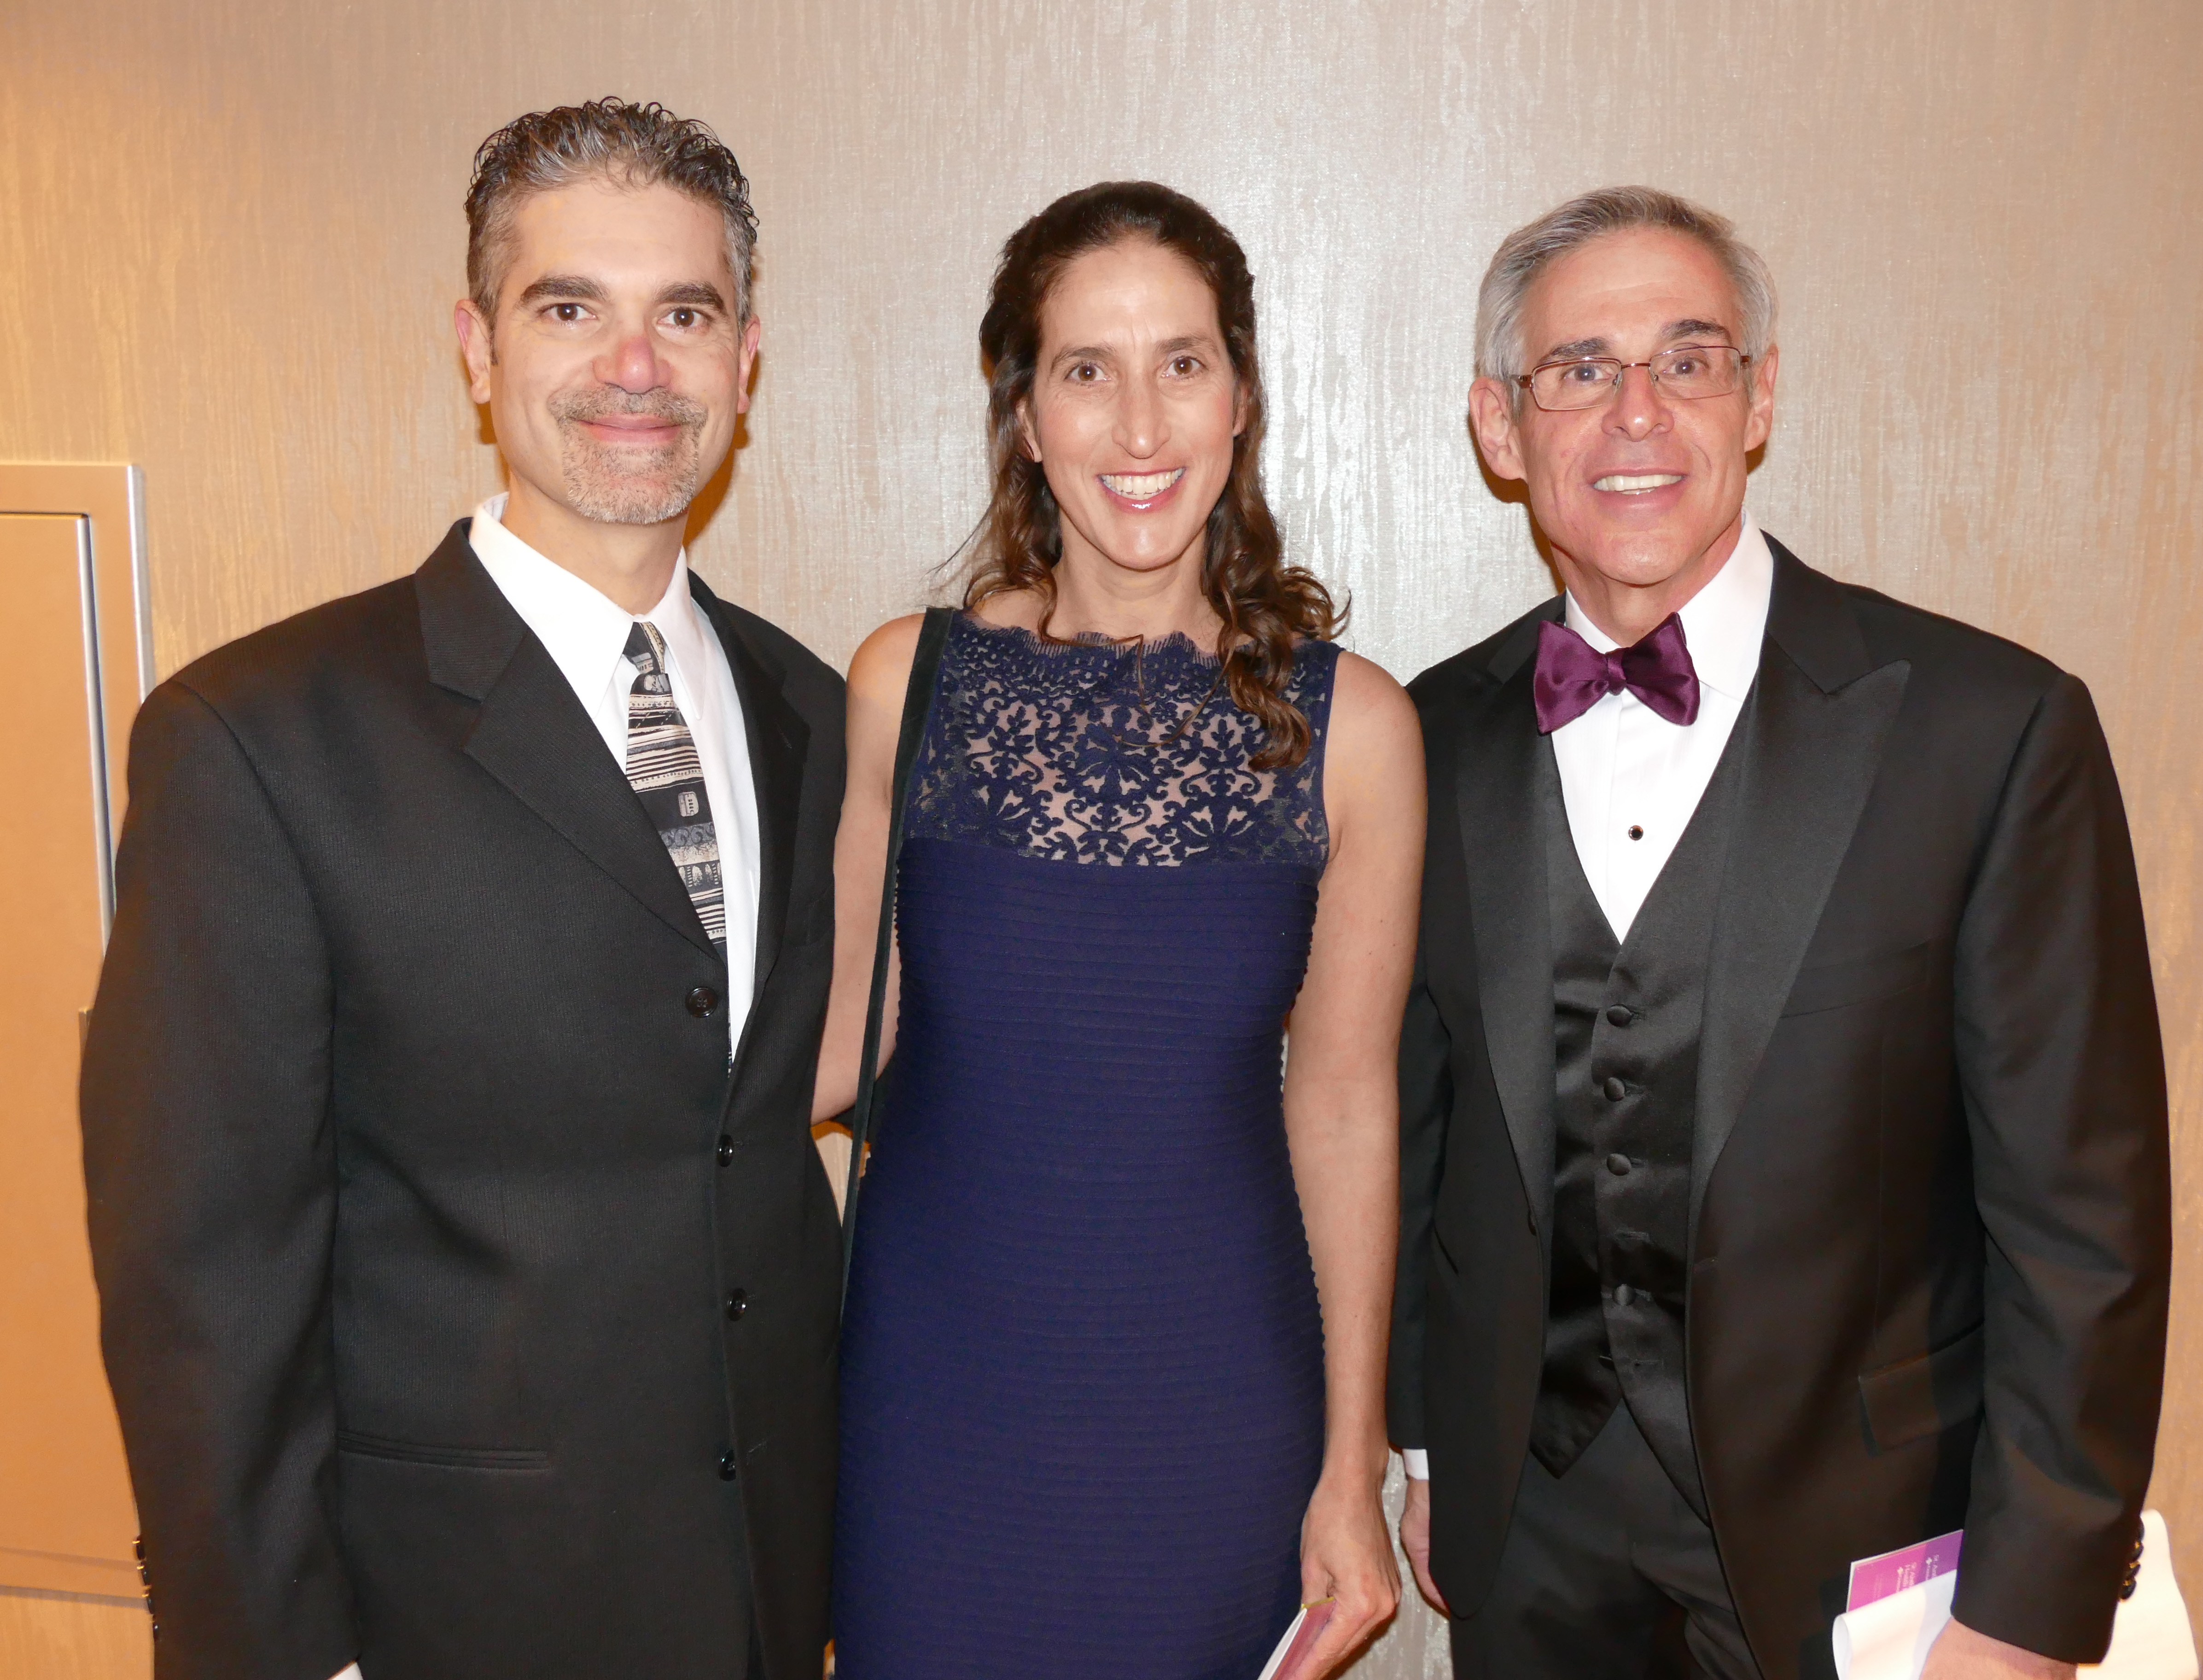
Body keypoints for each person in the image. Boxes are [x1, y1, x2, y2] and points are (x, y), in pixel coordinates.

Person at [80, 99, 844, 1680]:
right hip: (444, 1621)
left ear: (746, 359)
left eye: (684, 314)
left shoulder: (811, 714)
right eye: (571, 307)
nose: (636, 368)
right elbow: (203, 1290)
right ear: (478, 349)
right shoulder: (259, 741)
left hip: (770, 1599)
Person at [1389, 186, 2169, 1680]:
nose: (1638, 415)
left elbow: (2087, 1227)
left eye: (1689, 361)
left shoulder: (1989, 731)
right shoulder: (1425, 738)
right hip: (1523, 1537)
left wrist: (2029, 1609)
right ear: (1501, 428)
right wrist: (1428, 1448)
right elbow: (1420, 1134)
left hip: (1871, 1547)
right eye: (1581, 370)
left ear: (1758, 401)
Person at [813, 181, 1418, 1678]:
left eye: (1185, 364)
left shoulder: (1358, 729)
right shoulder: (910, 684)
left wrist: (1353, 1469)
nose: (1140, 429)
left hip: (1214, 1411)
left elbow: (1343, 1104)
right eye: (1087, 371)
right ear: (1025, 415)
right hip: (935, 1409)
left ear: (1243, 399)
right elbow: (830, 1051)